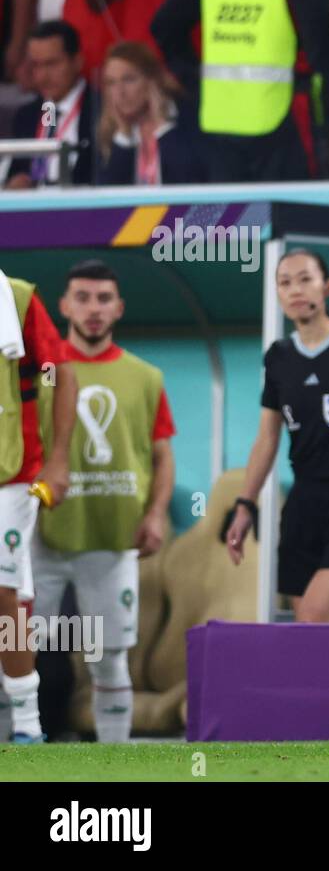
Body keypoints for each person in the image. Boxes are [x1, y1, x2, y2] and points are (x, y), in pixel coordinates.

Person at [31, 260, 175, 744]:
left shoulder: (146, 377)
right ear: (64, 305)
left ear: (119, 308)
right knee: (18, 650)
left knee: (110, 655)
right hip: (40, 535)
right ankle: (17, 752)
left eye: (103, 298)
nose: (93, 309)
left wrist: (155, 514)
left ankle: (116, 762)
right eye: (83, 297)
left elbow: (161, 455)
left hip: (113, 540)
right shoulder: (43, 374)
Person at [225, 250, 329, 624]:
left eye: (305, 279)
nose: (295, 289)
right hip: (304, 501)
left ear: (327, 287)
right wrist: (245, 505)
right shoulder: (278, 357)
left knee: (314, 614)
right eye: (285, 282)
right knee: (306, 628)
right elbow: (267, 437)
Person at [151, 0, 329, 182]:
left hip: (223, 125)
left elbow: (164, 26)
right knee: (291, 210)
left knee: (231, 212)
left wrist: (197, 82)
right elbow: (325, 53)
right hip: (284, 120)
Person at [0, 271, 76, 744]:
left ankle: (27, 725)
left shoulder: (17, 296)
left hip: (13, 471)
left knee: (3, 594)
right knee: (17, 595)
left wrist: (59, 461)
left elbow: (62, 373)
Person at [96, 40, 205, 185]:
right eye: (111, 83)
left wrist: (162, 127)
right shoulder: (111, 131)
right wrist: (125, 136)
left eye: (129, 79)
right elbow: (107, 196)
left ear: (152, 80)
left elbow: (189, 179)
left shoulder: (186, 117)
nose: (119, 92)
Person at [4, 20, 96, 188]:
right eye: (36, 66)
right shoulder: (26, 115)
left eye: (52, 64)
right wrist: (15, 183)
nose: (42, 76)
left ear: (77, 61)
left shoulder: (100, 109)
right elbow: (15, 171)